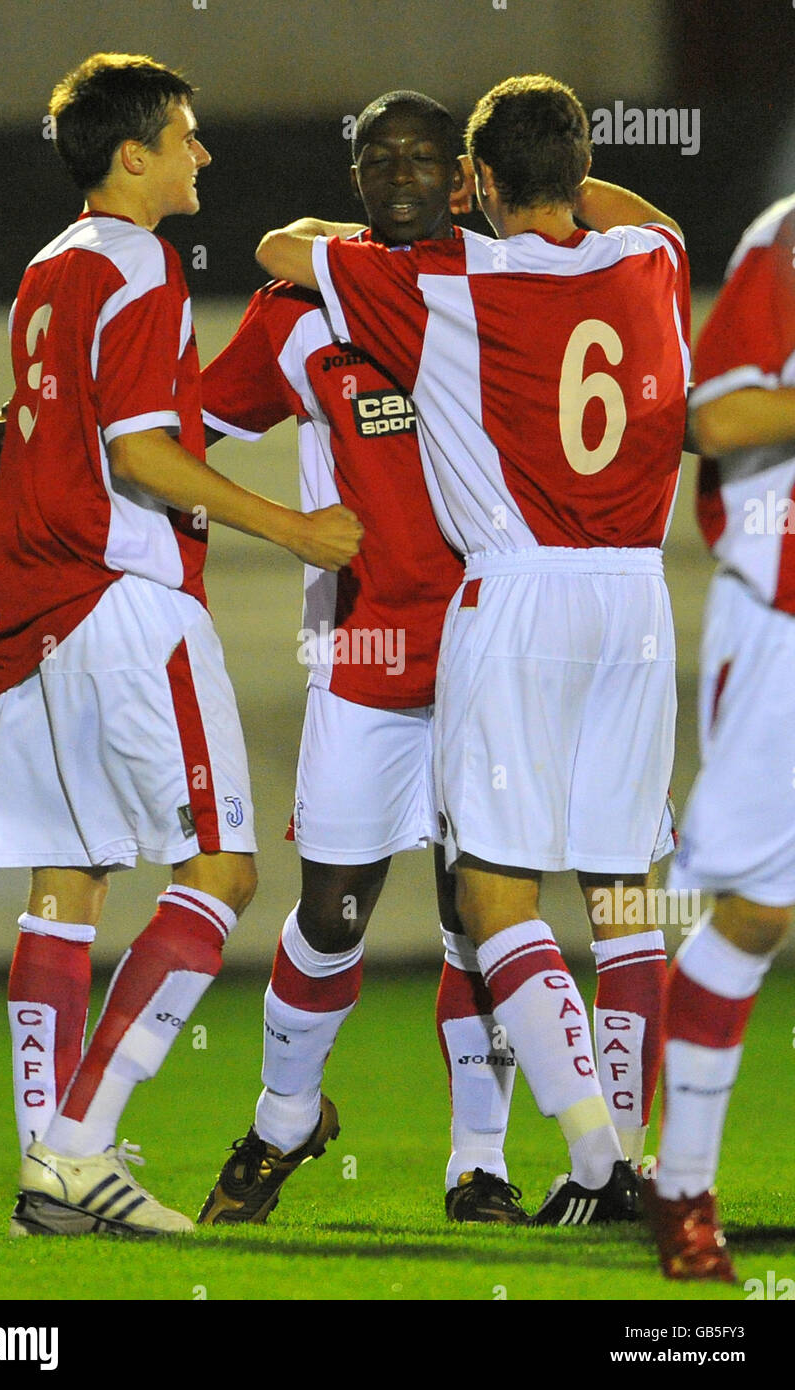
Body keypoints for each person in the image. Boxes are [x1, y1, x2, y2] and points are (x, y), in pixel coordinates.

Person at [255, 73, 690, 1224]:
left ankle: (596, 1160)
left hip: (520, 596)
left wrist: (475, 198)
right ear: (579, 168)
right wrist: (550, 171)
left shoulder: (452, 283)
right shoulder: (653, 265)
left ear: (475, 182)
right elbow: (651, 218)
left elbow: (284, 246)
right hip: (640, 604)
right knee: (625, 893)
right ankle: (631, 1157)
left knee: (492, 894)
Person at [0, 51, 361, 1238]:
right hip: (128, 608)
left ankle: (47, 1160)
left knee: (65, 882)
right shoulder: (140, 261)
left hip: (33, 614)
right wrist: (296, 524)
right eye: (187, 136)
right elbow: (140, 453)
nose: (204, 154)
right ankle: (81, 1148)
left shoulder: (47, 270)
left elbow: (34, 430)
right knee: (224, 872)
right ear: (131, 152)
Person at [196, 92, 523, 1226]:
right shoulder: (299, 309)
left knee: (480, 914)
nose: (399, 170)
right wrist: (56, 434)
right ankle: (288, 1117)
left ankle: (478, 1162)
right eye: (377, 155)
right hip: (365, 650)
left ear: (468, 176)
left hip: (492, 642)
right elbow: (187, 430)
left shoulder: (508, 285)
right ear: (353, 183)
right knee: (331, 913)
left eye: (423, 154)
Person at [648, 192, 795, 1280]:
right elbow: (715, 418)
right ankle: (684, 1186)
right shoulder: (787, 242)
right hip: (784, 612)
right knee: (754, 909)